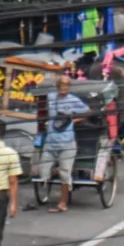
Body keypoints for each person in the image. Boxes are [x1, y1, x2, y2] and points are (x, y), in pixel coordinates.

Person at [41, 75, 90, 214]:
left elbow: (88, 111)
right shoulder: (51, 97)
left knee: (65, 174)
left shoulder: (73, 100)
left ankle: (63, 202)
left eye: (67, 85)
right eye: (62, 84)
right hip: (50, 142)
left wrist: (74, 121)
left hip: (67, 142)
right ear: (57, 86)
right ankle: (55, 175)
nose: (65, 87)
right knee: (42, 171)